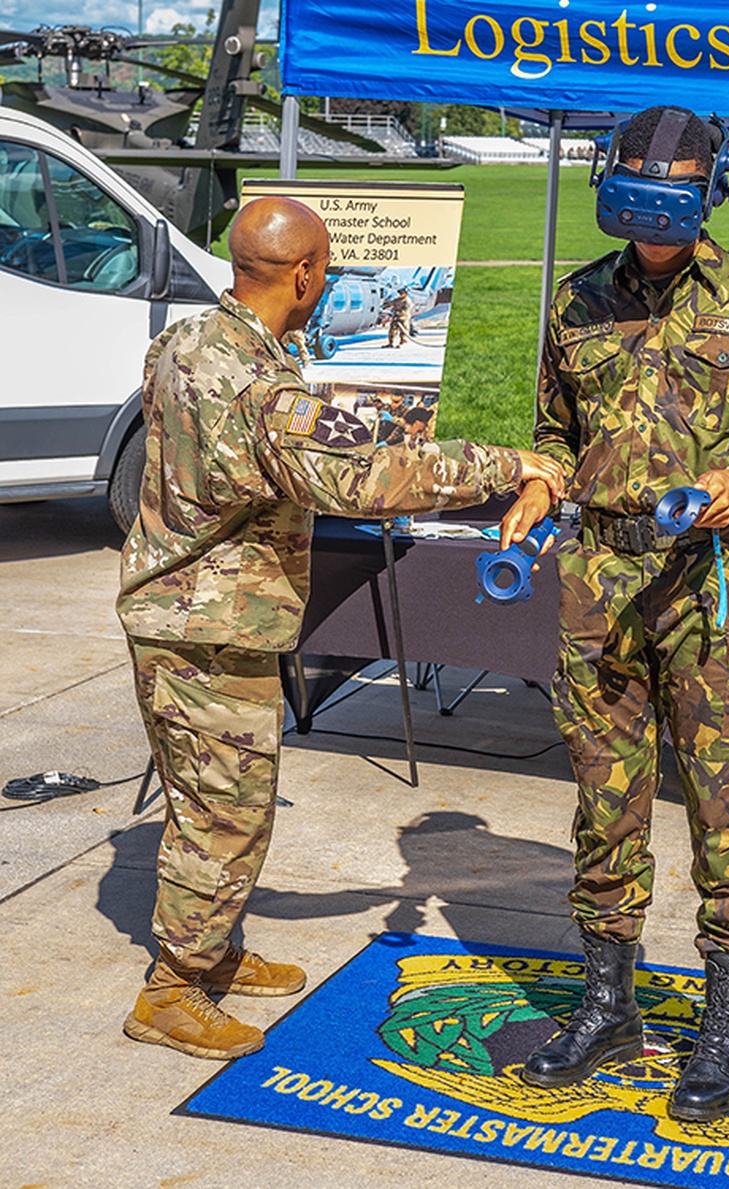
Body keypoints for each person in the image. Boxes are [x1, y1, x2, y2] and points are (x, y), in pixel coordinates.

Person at [117, 196, 564, 1061]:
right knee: (224, 814)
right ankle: (171, 987)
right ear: (303, 274)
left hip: (178, 611)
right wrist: (508, 464)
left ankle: (212, 948)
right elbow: (366, 479)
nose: (328, 284)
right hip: (212, 630)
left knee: (203, 798)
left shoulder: (185, 342)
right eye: (324, 269)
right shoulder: (262, 389)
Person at [499, 106, 729, 1121]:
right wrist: (538, 485)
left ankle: (723, 1022)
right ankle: (609, 1005)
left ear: (711, 191)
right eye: (637, 192)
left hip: (711, 592)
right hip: (599, 584)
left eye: (673, 196)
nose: (651, 214)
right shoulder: (577, 300)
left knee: (724, 808)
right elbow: (555, 432)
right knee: (605, 801)